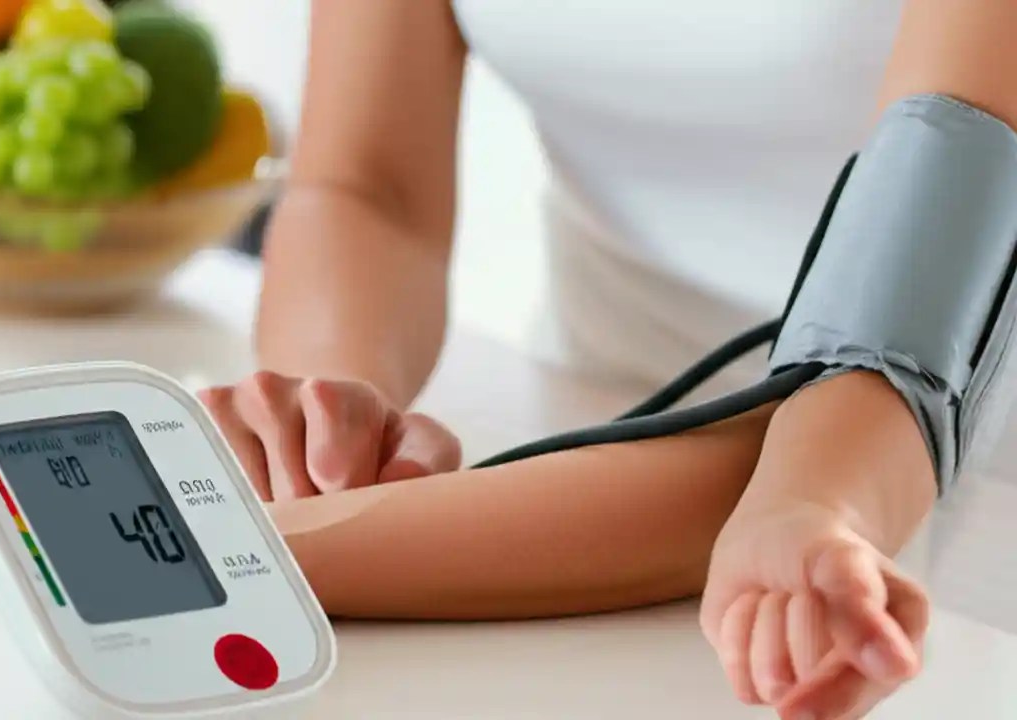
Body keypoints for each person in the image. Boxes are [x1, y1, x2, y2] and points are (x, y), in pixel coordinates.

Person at [198, 1, 1017, 718]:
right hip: (589, 410)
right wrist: (324, 422)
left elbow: (906, 323)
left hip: (928, 489)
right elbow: (370, 188)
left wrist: (247, 556)